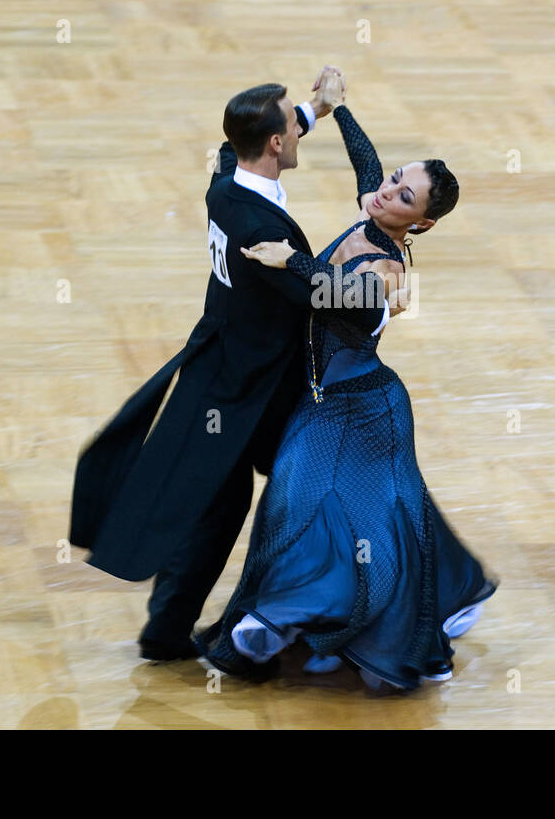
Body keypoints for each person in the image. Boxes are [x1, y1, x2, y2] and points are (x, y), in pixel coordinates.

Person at [194, 75, 496, 690]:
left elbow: (335, 294)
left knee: (306, 505)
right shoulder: (376, 209)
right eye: (392, 183)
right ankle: (456, 588)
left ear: (422, 224)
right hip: (328, 399)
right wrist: (336, 107)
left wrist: (291, 260)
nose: (385, 195)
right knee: (380, 509)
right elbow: (367, 163)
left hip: (360, 407)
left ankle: (274, 621)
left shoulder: (385, 271)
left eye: (404, 197)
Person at [69, 70, 340, 662]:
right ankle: (285, 621)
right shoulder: (261, 229)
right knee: (265, 501)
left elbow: (238, 145)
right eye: (291, 123)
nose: (297, 130)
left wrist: (318, 110)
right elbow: (317, 295)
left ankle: (187, 628)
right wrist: (376, 290)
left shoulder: (225, 178)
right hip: (250, 389)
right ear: (274, 145)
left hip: (221, 366)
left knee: (249, 501)